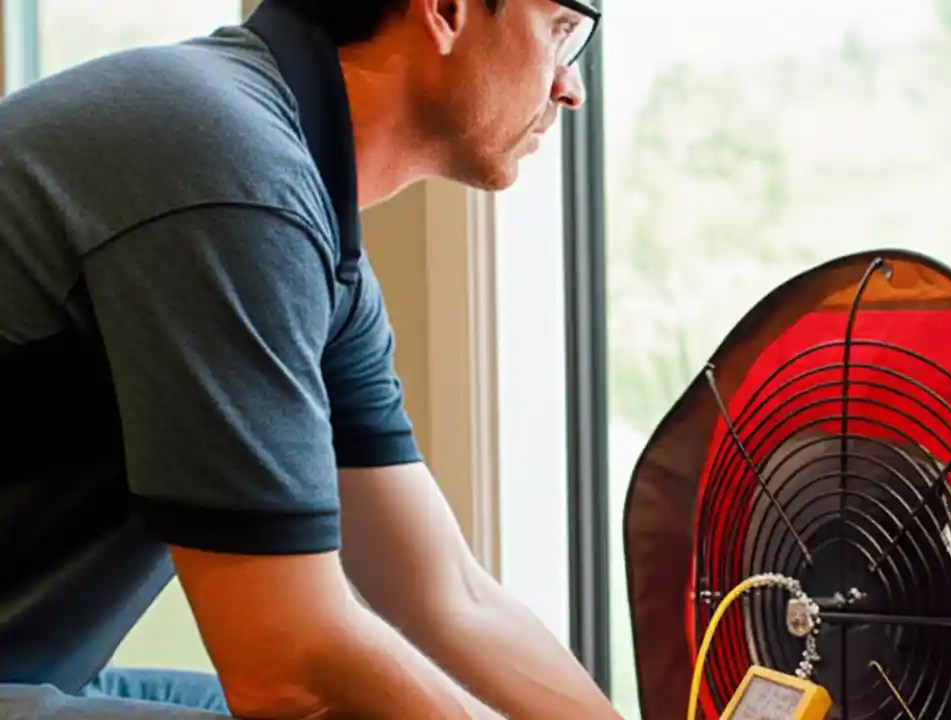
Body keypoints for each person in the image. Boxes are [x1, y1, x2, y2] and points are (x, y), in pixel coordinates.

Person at [0, 0, 618, 718]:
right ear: (446, 10)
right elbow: (289, 667)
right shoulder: (226, 171)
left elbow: (447, 591)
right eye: (559, 31)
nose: (570, 86)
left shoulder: (300, 225)